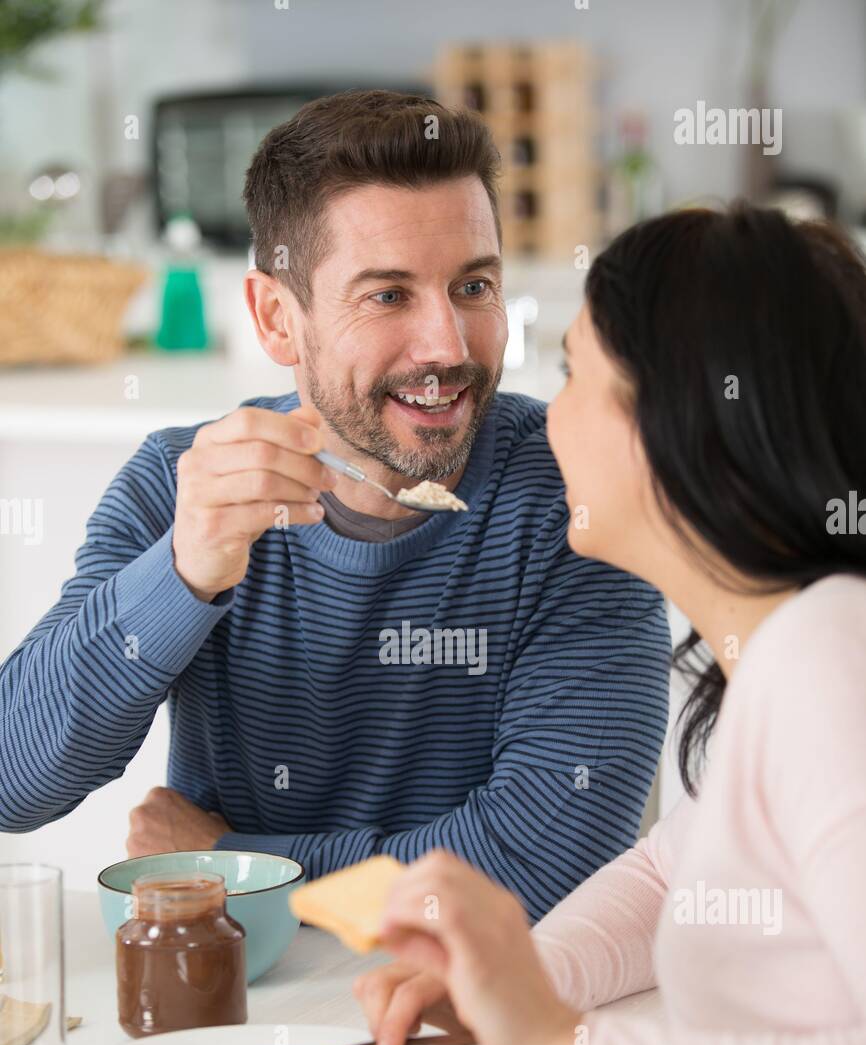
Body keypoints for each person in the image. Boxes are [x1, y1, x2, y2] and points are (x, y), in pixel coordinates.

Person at [356, 203, 866, 1045]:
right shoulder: (780, 658)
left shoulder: (830, 662)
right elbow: (673, 869)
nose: (545, 422)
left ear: (674, 416)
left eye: (575, 375)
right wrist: (510, 984)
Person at [0, 91, 669, 923]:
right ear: (277, 319)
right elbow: (12, 784)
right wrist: (184, 573)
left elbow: (546, 857)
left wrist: (233, 864)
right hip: (233, 999)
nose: (447, 348)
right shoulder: (179, 483)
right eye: (388, 296)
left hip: (479, 1008)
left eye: (473, 285)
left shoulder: (577, 492)